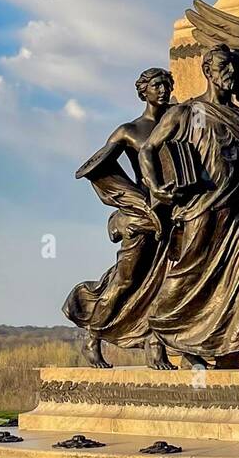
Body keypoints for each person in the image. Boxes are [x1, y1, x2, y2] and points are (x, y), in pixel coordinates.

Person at [136, 45, 239, 371]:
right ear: (208, 72)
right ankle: (161, 333)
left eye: (233, 71)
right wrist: (157, 188)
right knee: (186, 277)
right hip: (202, 210)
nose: (230, 76)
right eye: (224, 70)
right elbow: (148, 150)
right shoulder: (186, 113)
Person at [62, 68, 175, 366]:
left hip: (176, 214)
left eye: (167, 84)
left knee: (166, 282)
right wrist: (128, 203)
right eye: (156, 85)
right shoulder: (130, 130)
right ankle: (93, 338)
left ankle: (156, 344)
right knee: (125, 281)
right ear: (144, 92)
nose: (163, 90)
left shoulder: (179, 121)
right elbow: (96, 166)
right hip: (142, 217)